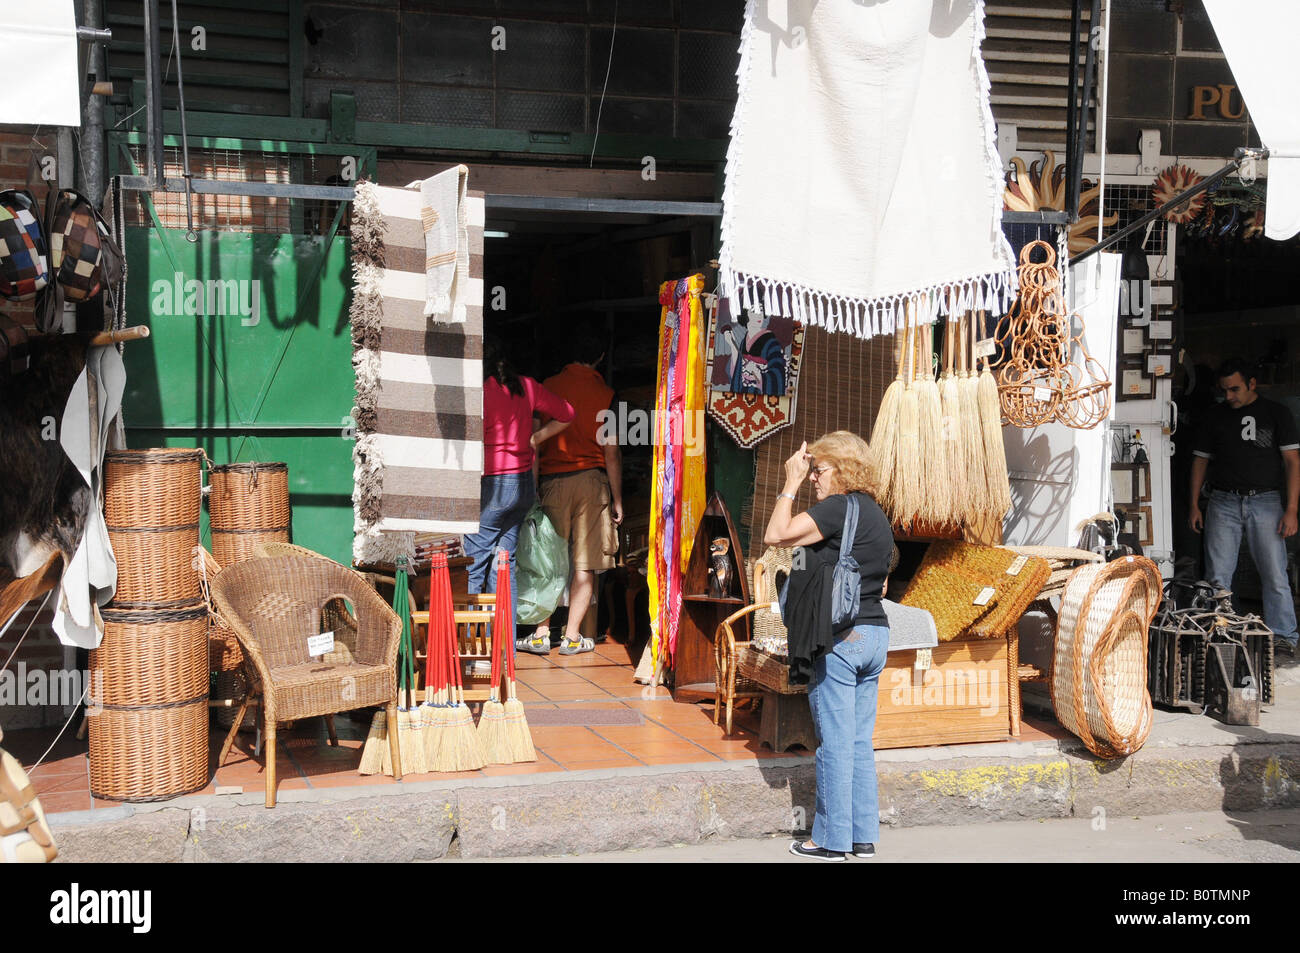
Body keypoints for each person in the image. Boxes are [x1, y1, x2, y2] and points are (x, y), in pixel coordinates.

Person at [764, 430, 893, 861]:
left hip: (841, 639)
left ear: (840, 469)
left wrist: (790, 483)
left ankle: (830, 841)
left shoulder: (837, 508)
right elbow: (882, 577)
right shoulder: (877, 514)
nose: (814, 477)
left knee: (835, 743)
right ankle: (862, 835)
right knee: (858, 741)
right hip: (875, 635)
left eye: (818, 469)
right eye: (811, 471)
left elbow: (776, 535)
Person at [1189, 357, 1300, 656]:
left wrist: (1291, 509)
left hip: (1266, 500)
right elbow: (1200, 461)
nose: (1229, 396)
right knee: (1218, 576)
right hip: (1223, 500)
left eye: (1235, 389)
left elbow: (1292, 462)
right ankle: (1219, 632)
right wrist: (1194, 505)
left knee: (1275, 574)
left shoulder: (1276, 413)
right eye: (1224, 390)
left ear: (1252, 384)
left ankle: (1284, 636)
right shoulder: (1215, 416)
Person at [525, 329, 623, 656]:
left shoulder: (548, 388)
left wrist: (535, 487)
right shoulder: (607, 395)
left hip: (553, 481)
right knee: (584, 564)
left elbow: (535, 442)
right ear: (600, 357)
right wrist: (618, 498)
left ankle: (540, 633)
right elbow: (611, 453)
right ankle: (571, 636)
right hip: (592, 484)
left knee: (549, 559)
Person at [463, 338, 573, 622]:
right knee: (504, 566)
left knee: (473, 566)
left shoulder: (478, 392)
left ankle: (474, 649)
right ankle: (504, 651)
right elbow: (567, 414)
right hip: (522, 485)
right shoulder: (527, 386)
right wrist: (534, 439)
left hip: (494, 487)